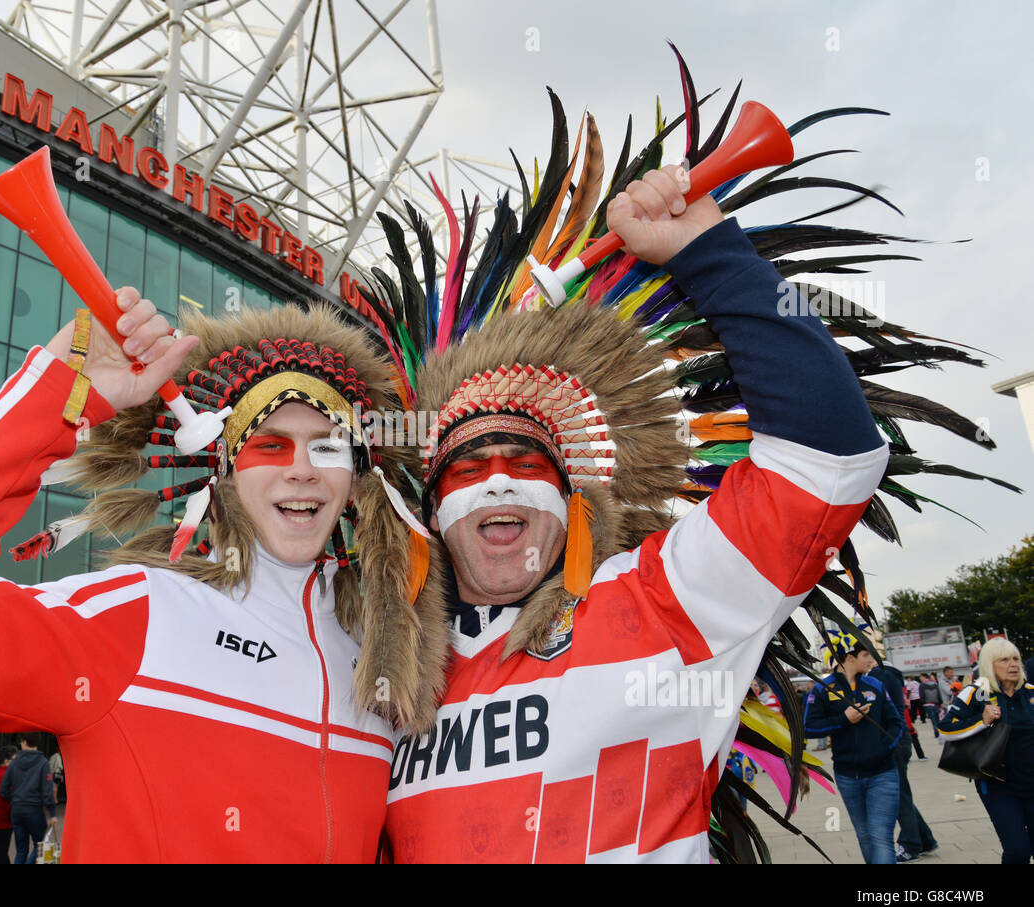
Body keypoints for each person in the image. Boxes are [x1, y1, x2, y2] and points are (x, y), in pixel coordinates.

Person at [369, 149, 892, 860]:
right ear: (430, 516)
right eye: (466, 469)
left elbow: (828, 455)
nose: (497, 482)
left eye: (525, 463)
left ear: (572, 502)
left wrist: (707, 253)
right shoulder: (378, 664)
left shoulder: (663, 599)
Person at [0, 279, 426, 861]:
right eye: (270, 445)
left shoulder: (380, 662)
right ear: (225, 477)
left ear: (357, 480)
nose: (302, 469)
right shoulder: (142, 614)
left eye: (327, 447)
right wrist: (54, 397)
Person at [804, 635, 903, 863]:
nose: (871, 660)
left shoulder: (875, 684)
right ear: (850, 657)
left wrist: (885, 748)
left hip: (883, 772)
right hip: (848, 775)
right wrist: (844, 719)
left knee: (881, 836)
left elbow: (896, 723)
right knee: (865, 836)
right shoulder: (822, 689)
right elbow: (808, 727)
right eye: (866, 655)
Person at [939, 637, 1034, 863]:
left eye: (1015, 659)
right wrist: (980, 720)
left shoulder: (1031, 692)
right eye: (1004, 660)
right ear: (990, 664)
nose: (1013, 665)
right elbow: (945, 730)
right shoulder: (976, 692)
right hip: (998, 785)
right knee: (1018, 850)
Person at [870, 661, 938, 863]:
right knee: (901, 794)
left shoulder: (880, 674)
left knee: (898, 796)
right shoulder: (887, 673)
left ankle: (910, 845)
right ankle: (925, 840)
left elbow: (885, 712)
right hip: (898, 740)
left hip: (894, 741)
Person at [0, 734, 55, 864]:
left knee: (21, 849)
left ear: (24, 742)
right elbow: (48, 790)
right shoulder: (43, 762)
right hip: (34, 809)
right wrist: (52, 812)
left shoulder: (14, 763)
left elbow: (3, 789)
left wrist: (14, 799)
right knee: (40, 845)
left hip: (17, 809)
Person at [919, 674, 943, 738]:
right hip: (936, 704)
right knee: (937, 719)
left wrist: (923, 703)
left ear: (925, 677)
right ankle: (940, 733)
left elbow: (921, 695)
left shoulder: (922, 685)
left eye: (921, 677)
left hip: (928, 704)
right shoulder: (935, 684)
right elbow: (939, 694)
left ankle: (937, 733)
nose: (920, 678)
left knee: (933, 720)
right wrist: (941, 702)